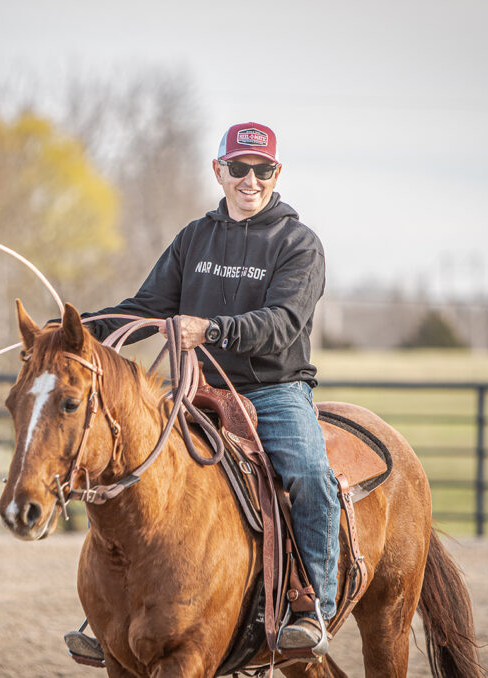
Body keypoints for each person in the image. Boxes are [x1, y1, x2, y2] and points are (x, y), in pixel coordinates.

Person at [81, 122, 339, 654]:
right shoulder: (194, 237)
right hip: (194, 386)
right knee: (129, 464)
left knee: (312, 474)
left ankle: (314, 607)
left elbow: (283, 322)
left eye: (261, 170)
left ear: (276, 174)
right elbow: (144, 307)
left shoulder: (298, 244)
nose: (250, 180)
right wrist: (82, 330)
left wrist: (213, 329)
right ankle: (110, 609)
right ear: (218, 170)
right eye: (239, 168)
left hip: (274, 391)